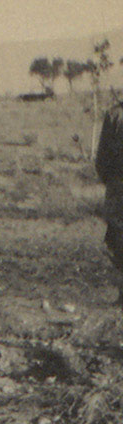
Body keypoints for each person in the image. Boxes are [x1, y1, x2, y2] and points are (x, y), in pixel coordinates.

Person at [97, 99, 123, 305]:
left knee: (117, 238)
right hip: (117, 184)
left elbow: (101, 160)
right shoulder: (114, 114)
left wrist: (109, 180)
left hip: (117, 185)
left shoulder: (114, 114)